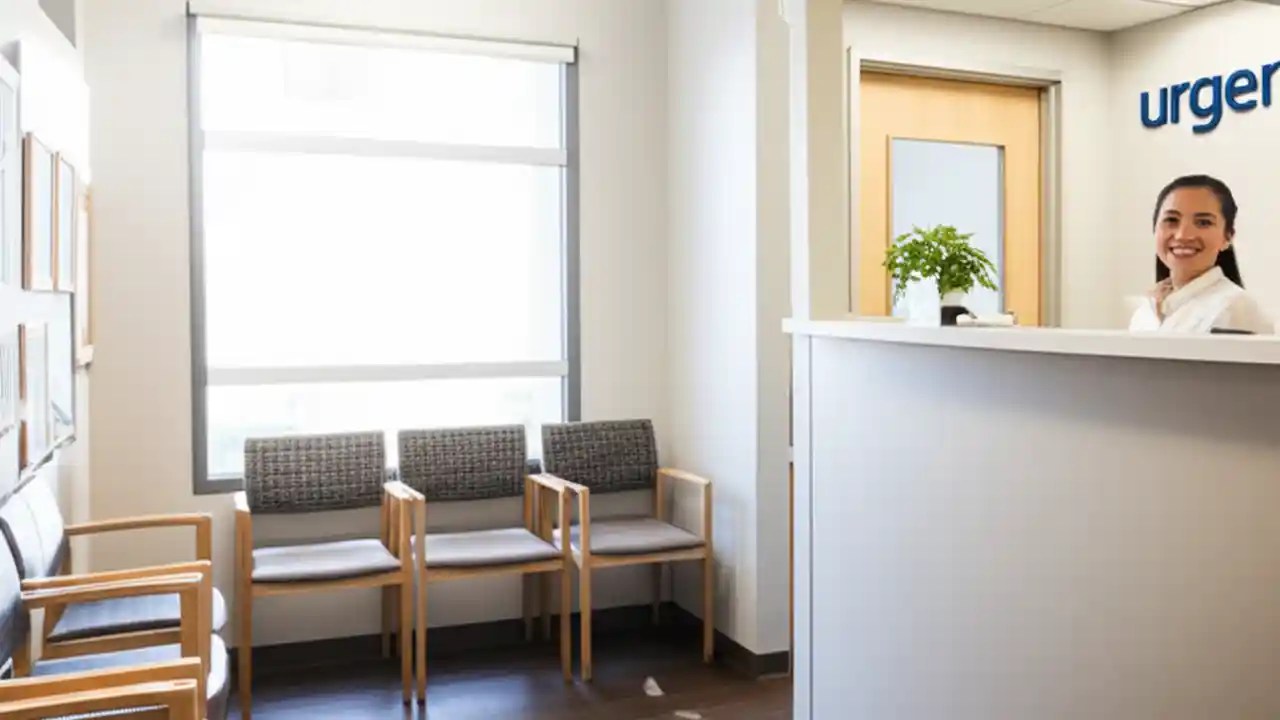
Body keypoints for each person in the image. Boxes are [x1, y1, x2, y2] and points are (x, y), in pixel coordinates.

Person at [1128, 174, 1275, 334]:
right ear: (1155, 229)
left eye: (1203, 222)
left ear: (1228, 237)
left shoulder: (1235, 309)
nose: (1183, 235)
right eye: (1171, 220)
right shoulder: (1145, 312)